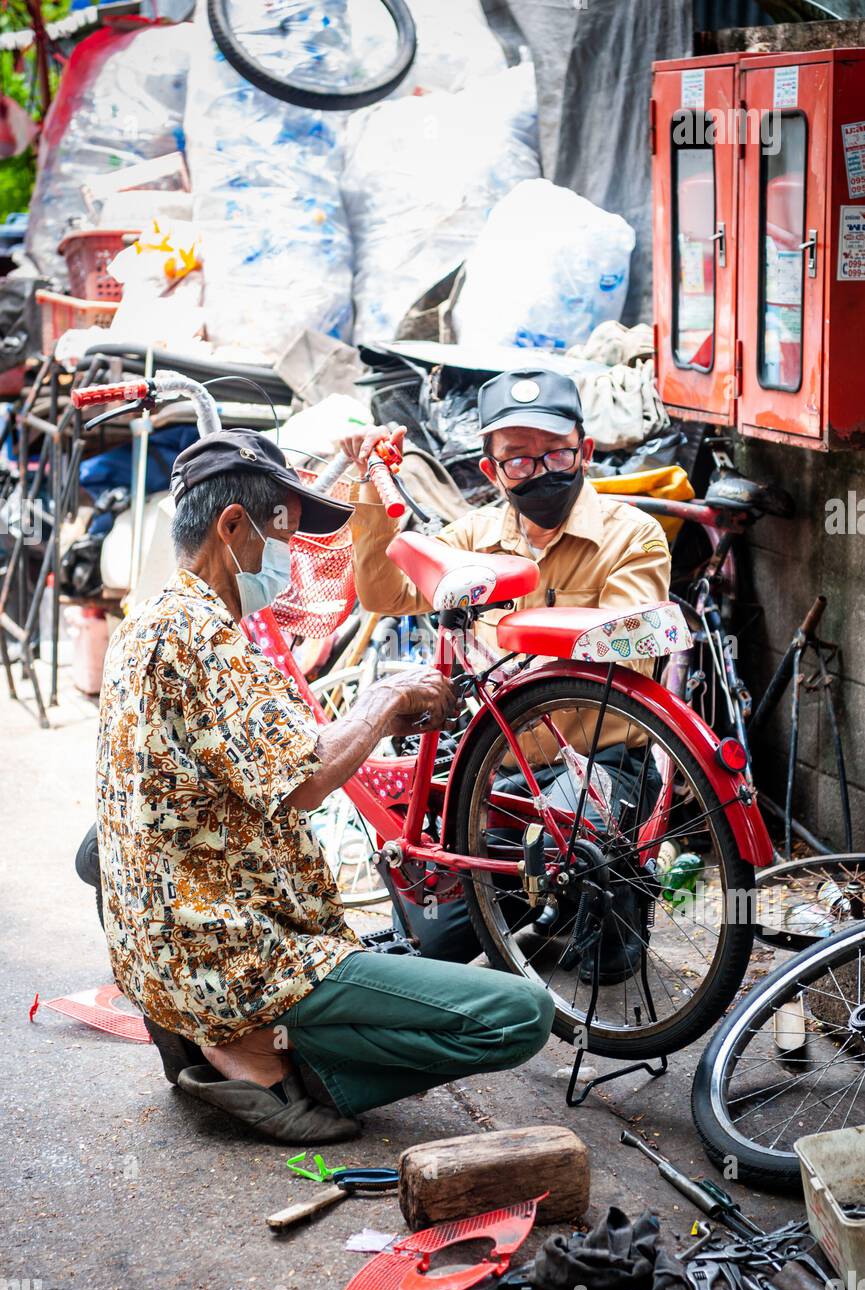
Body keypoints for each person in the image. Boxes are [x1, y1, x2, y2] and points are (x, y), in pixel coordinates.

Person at [95, 428, 554, 1145]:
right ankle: (267, 1066)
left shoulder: (150, 620)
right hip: (240, 954)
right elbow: (306, 779)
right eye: (281, 534)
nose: (286, 556)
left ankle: (216, 1032)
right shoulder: (200, 640)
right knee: (522, 1013)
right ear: (232, 526)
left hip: (167, 949)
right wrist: (385, 699)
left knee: (104, 846)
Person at [344, 368, 671, 976]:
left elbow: (624, 648)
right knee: (439, 937)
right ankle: (532, 902)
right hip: (500, 770)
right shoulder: (472, 539)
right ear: (492, 471)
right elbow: (384, 592)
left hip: (601, 765)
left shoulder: (634, 536)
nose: (541, 470)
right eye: (518, 460)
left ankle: (611, 895)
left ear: (585, 453)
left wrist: (516, 654)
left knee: (576, 871)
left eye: (555, 453)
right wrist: (370, 488)